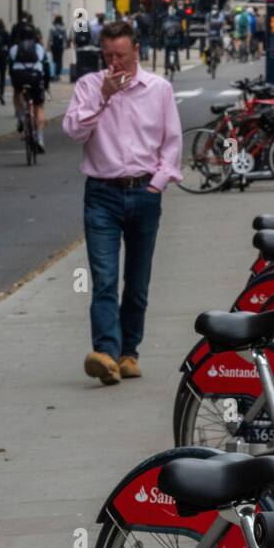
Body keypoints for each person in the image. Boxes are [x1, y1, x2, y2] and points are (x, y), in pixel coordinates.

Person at [62, 19, 183, 387]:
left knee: (137, 280)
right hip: (102, 192)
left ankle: (130, 352)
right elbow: (73, 131)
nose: (115, 63)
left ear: (136, 53)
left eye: (122, 56)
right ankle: (107, 355)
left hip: (144, 192)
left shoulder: (159, 89)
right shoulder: (88, 86)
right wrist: (104, 95)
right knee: (104, 279)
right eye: (108, 55)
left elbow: (172, 141)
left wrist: (158, 184)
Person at [9, 29, 50, 150]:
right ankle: (40, 139)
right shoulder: (39, 48)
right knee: (39, 106)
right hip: (35, 76)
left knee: (17, 93)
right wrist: (46, 85)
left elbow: (10, 68)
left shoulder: (14, 48)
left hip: (19, 76)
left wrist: (15, 85)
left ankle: (21, 116)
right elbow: (46, 67)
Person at [161, 8, 182, 75]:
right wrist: (182, 43)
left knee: (167, 55)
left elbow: (162, 33)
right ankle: (178, 65)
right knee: (176, 52)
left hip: (167, 42)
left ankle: (166, 69)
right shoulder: (178, 20)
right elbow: (181, 32)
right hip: (176, 41)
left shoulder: (165, 21)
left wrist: (160, 43)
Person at [48, 15, 68, 81]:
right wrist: (66, 45)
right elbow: (65, 38)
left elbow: (50, 37)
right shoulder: (63, 28)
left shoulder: (52, 27)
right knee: (59, 60)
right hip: (60, 46)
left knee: (54, 59)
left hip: (54, 46)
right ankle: (58, 74)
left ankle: (53, 73)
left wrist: (49, 45)